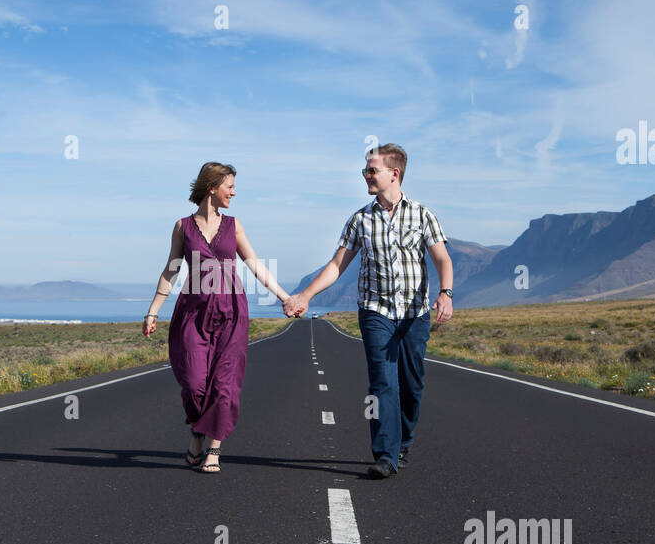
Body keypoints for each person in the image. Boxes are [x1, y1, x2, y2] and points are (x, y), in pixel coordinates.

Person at [284, 144, 454, 479]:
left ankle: (403, 440)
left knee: (412, 384)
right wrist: (305, 295)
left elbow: (442, 259)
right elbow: (337, 265)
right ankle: (385, 455)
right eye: (365, 170)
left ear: (395, 173)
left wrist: (445, 293)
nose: (366, 176)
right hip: (375, 312)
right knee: (382, 383)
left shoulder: (423, 215)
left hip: (414, 315)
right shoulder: (359, 220)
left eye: (372, 170)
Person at [144, 162, 298, 473]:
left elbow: (255, 264)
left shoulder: (234, 225)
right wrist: (153, 311)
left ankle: (213, 446)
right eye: (229, 186)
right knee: (193, 382)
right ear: (212, 187)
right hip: (192, 312)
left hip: (231, 312)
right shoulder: (182, 227)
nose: (234, 192)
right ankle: (198, 429)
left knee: (225, 385)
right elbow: (171, 270)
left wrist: (285, 297)